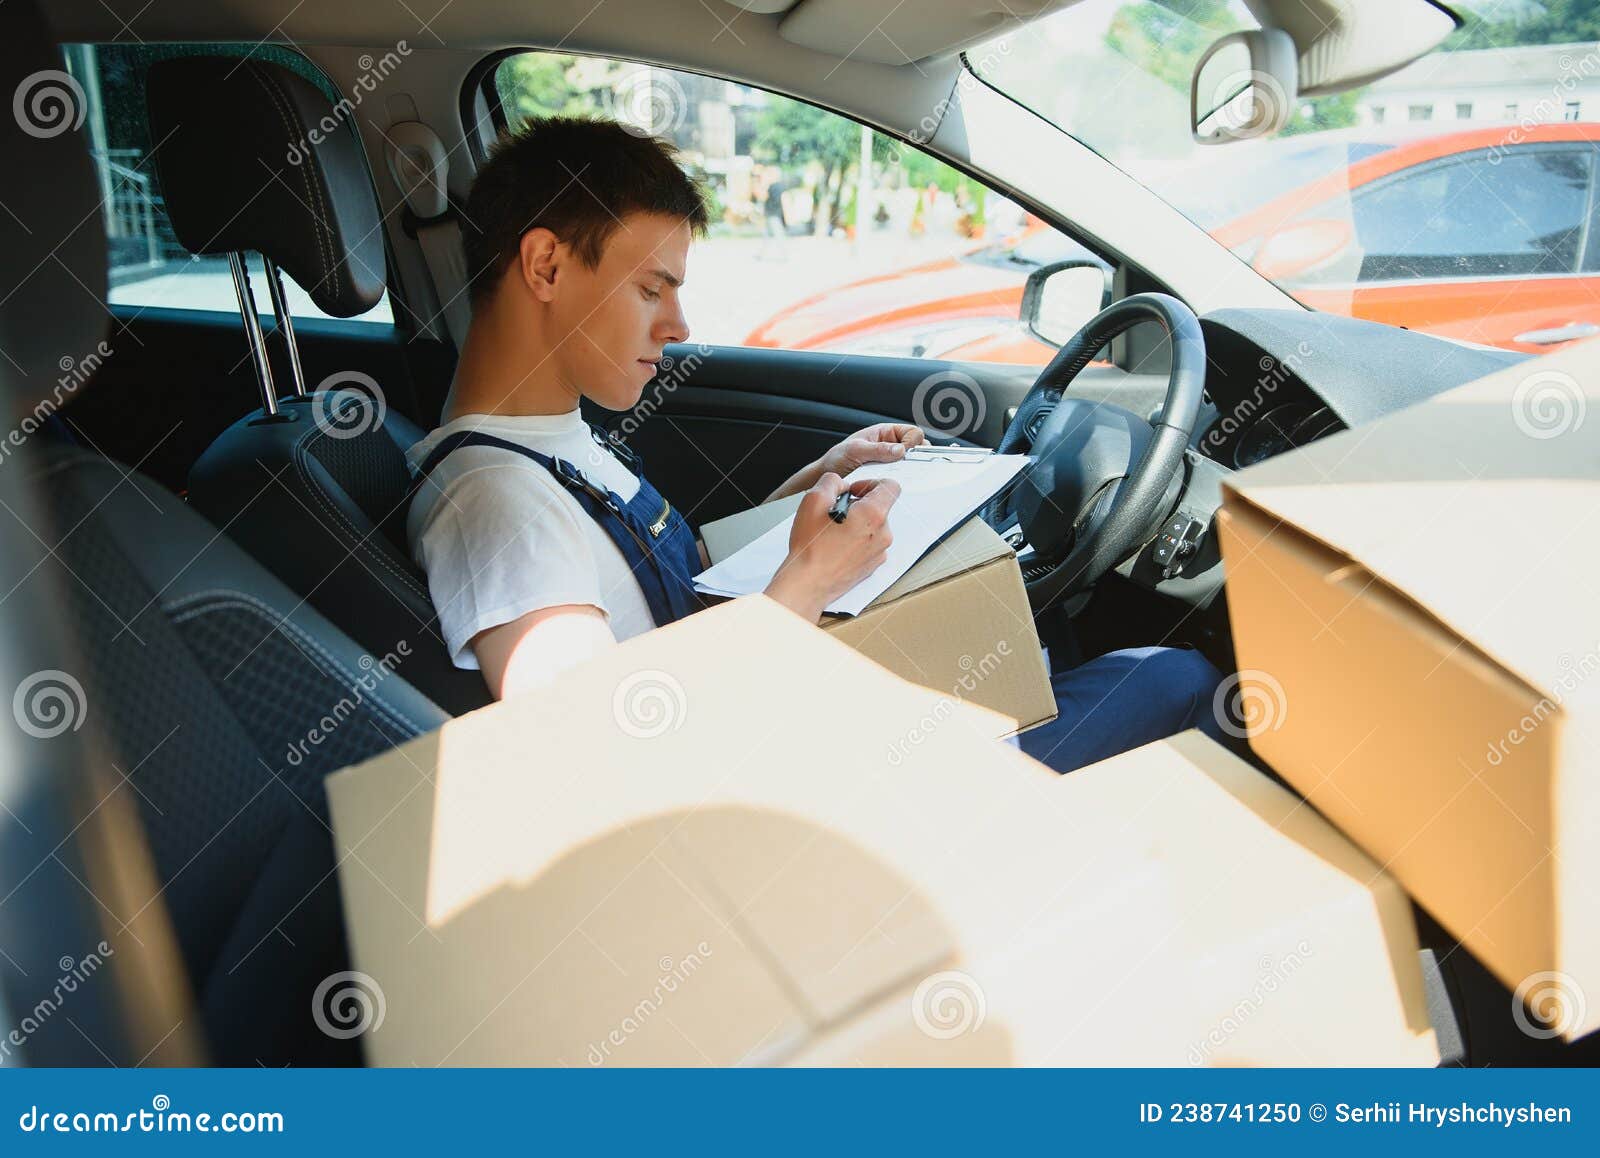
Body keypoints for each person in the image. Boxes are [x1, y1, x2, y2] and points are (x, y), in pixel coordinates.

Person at [405, 117, 1224, 774]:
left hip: (780, 731)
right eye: (651, 289)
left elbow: (674, 585)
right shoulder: (496, 501)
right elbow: (600, 757)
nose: (678, 325)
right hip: (786, 805)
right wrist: (808, 583)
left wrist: (821, 478)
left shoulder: (555, 441)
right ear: (546, 266)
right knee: (1176, 679)